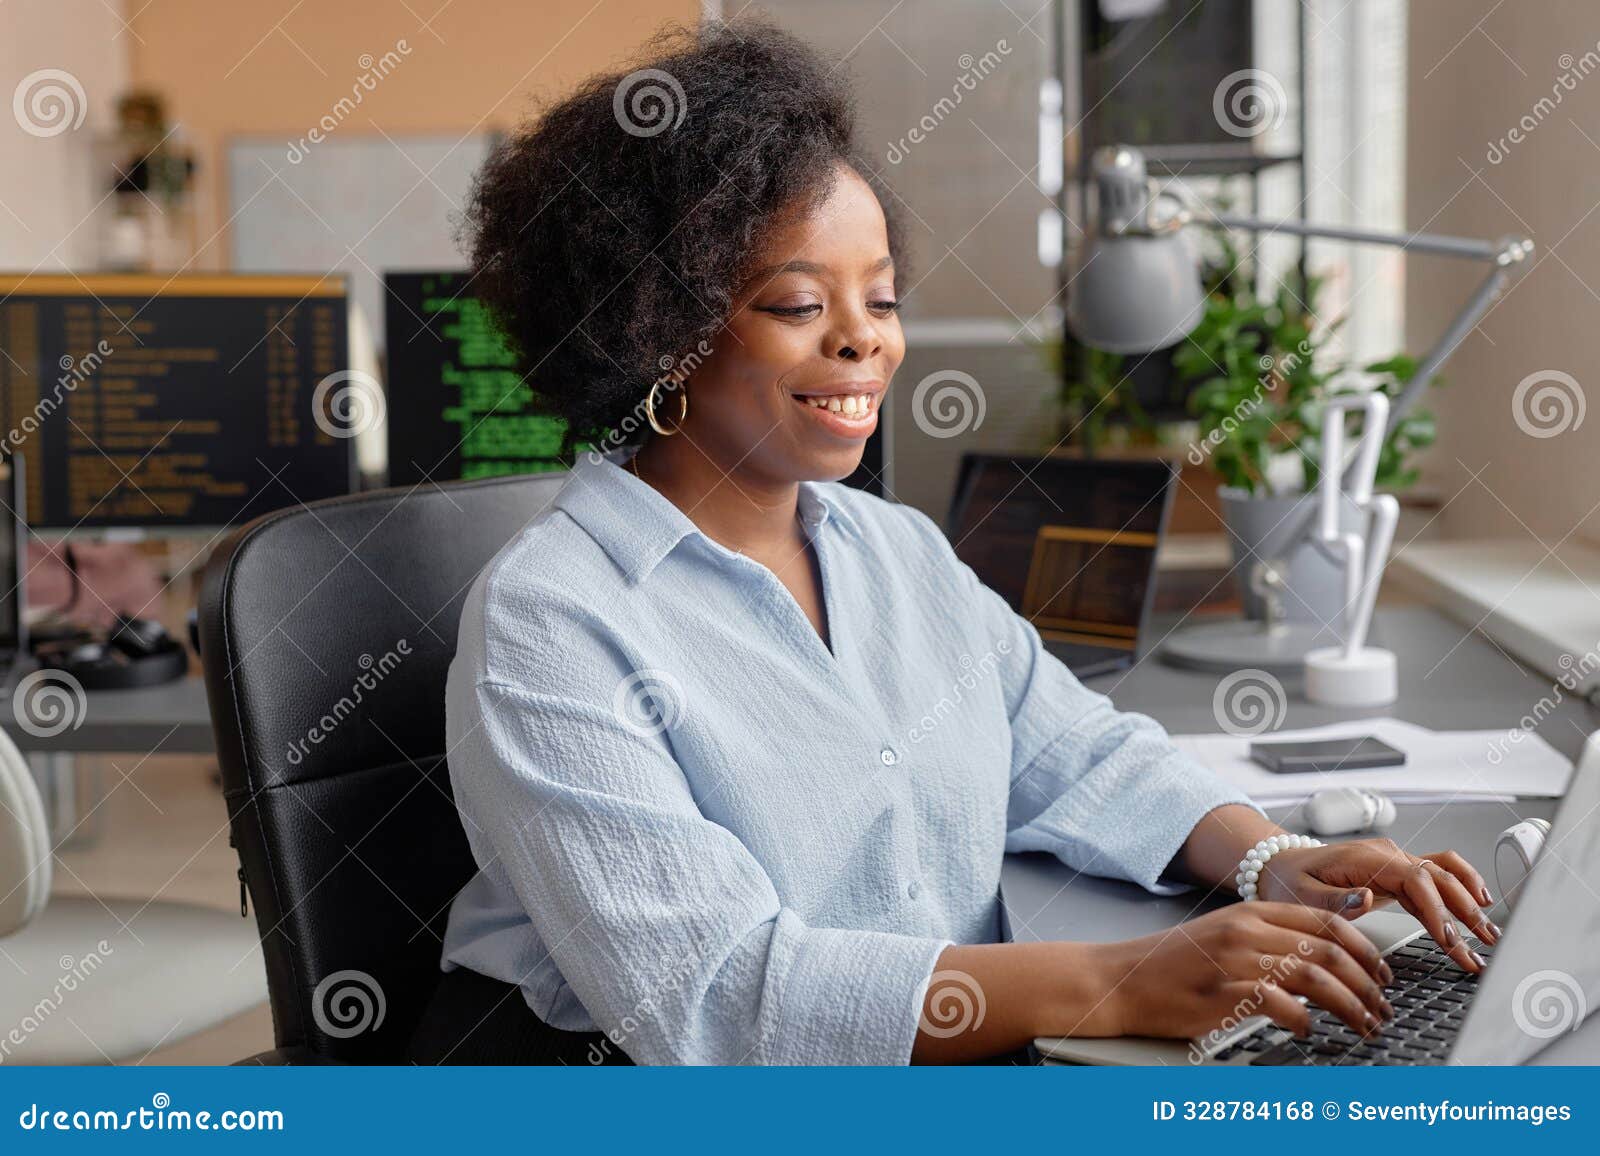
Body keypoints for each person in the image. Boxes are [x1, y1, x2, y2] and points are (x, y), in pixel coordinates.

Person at [406, 20, 1498, 1066]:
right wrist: (1117, 980)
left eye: (880, 297)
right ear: (653, 329)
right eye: (798, 302)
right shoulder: (552, 620)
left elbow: (1069, 745)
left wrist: (1272, 856)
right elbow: (719, 999)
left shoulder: (894, 551)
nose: (863, 338)